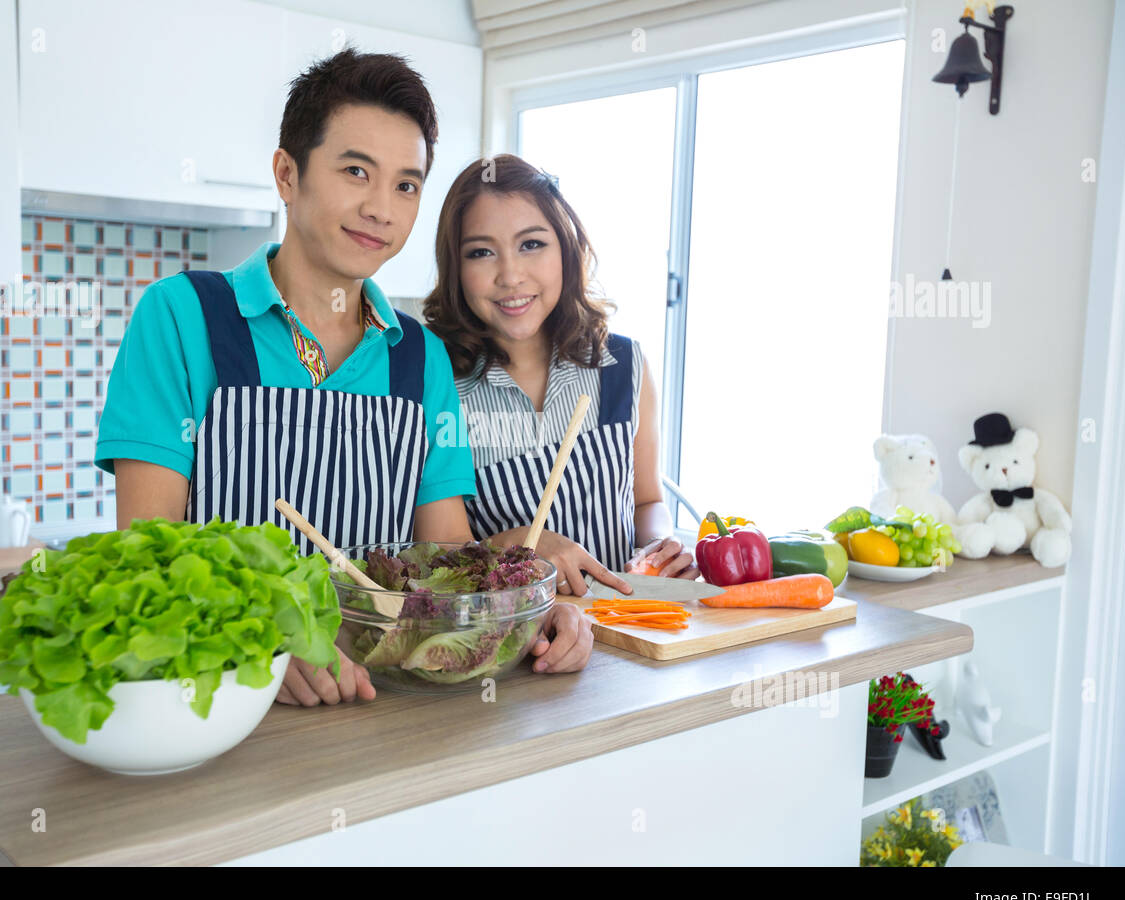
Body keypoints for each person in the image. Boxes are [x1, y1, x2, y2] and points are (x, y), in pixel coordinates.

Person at [95, 54, 593, 704]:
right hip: (217, 708)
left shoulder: (417, 357)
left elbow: (445, 559)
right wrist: (262, 639)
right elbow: (145, 557)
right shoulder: (183, 316)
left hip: (378, 708)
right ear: (287, 174)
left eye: (406, 186)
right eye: (357, 171)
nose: (381, 209)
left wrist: (524, 613)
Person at [423, 154, 699, 597]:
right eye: (481, 252)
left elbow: (648, 500)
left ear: (566, 250)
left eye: (531, 244)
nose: (511, 275)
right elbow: (437, 559)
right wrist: (515, 546)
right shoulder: (436, 385)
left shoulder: (623, 366)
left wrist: (657, 546)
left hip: (629, 633)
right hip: (519, 647)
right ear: (456, 269)